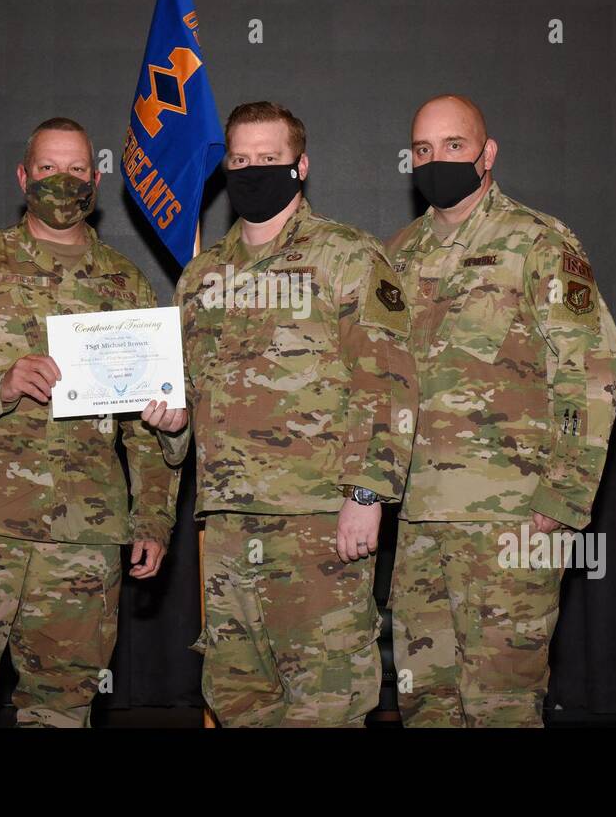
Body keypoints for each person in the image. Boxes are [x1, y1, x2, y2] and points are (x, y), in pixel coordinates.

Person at [0, 117, 182, 727]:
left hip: (83, 539)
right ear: (24, 177)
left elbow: (145, 430)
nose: (62, 181)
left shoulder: (125, 284)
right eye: (48, 169)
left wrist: (153, 517)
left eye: (77, 169)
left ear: (96, 181)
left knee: (63, 709)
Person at [143, 101, 417, 727]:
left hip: (318, 521)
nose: (252, 170)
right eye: (240, 160)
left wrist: (367, 494)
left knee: (327, 700)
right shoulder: (202, 275)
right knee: (241, 701)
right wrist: (173, 426)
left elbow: (389, 381)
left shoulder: (348, 256)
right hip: (228, 526)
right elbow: (186, 397)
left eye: (269, 159)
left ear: (301, 166)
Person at [384, 94, 616, 727]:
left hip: (513, 523)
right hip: (417, 522)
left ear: (487, 154)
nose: (437, 161)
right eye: (423, 151)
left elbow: (592, 368)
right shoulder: (398, 256)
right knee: (423, 699)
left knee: (502, 705)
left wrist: (563, 496)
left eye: (453, 146)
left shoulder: (538, 242)